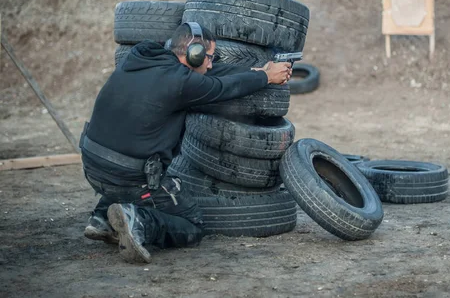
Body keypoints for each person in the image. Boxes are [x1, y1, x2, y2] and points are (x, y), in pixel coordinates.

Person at [80, 21, 292, 263]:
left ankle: (100, 218)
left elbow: (212, 74)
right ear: (194, 54)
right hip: (130, 178)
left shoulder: (138, 59)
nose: (211, 63)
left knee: (125, 149)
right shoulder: (181, 84)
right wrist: (267, 77)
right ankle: (140, 221)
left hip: (93, 167)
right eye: (209, 57)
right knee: (192, 225)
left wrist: (255, 72)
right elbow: (222, 88)